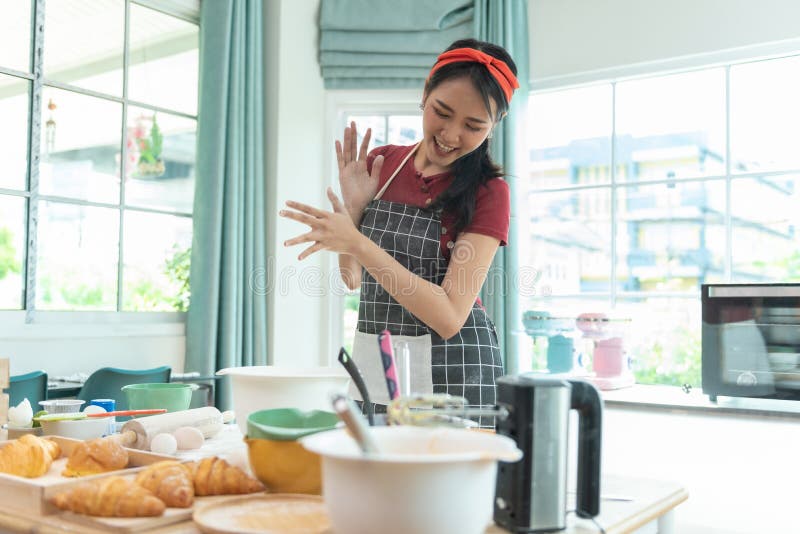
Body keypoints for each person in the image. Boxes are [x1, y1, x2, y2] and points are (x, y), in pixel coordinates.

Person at [280, 38, 519, 426]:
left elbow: (448, 316)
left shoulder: (489, 193)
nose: (452, 135)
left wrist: (356, 239)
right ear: (425, 93)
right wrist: (355, 209)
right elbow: (353, 277)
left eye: (474, 126)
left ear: (494, 126)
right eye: (442, 112)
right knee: (377, 479)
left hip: (455, 368)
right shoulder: (383, 164)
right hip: (383, 358)